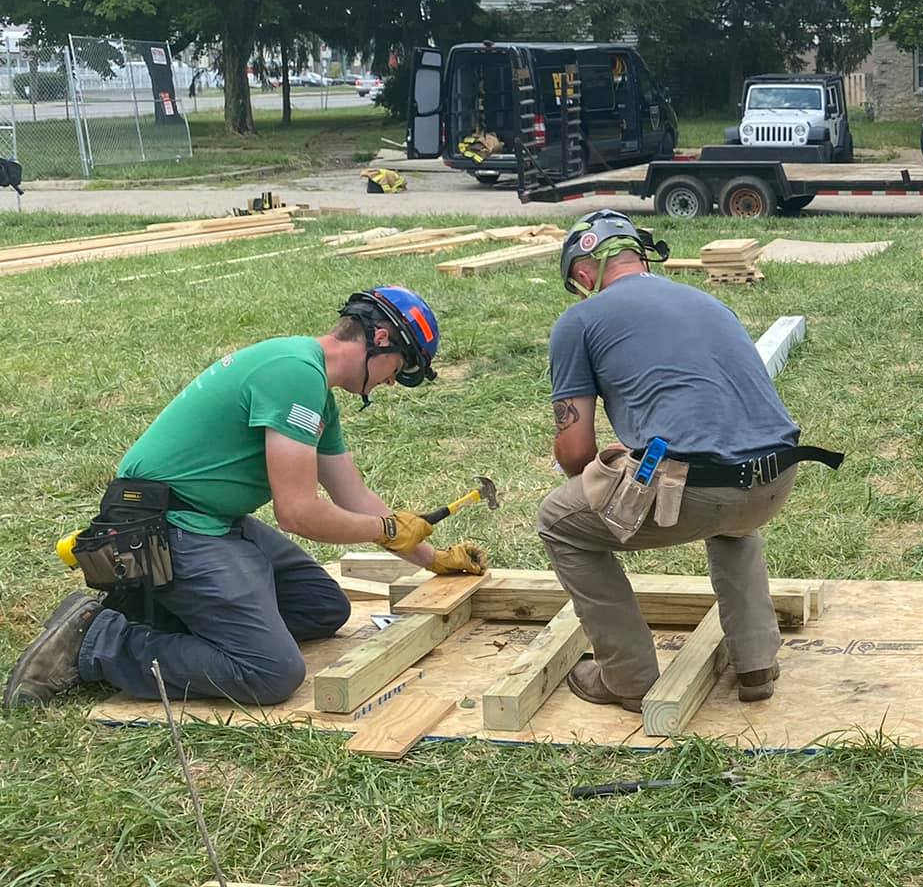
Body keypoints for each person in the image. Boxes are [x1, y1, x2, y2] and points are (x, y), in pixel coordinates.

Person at [4, 287, 477, 709]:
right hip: (167, 524)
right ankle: (98, 640)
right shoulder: (294, 373)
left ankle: (156, 612)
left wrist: (432, 558)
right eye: (402, 367)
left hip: (208, 519)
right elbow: (298, 513)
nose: (394, 381)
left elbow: (351, 494)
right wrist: (386, 528)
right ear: (381, 339)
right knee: (270, 671)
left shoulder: (311, 385)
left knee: (321, 608)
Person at [539, 212, 840, 711]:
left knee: (558, 522)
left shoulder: (579, 321)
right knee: (733, 522)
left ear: (585, 272)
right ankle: (757, 663)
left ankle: (627, 677)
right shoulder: (708, 302)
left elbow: (575, 452)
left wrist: (602, 481)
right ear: (640, 257)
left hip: (695, 489)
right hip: (775, 479)